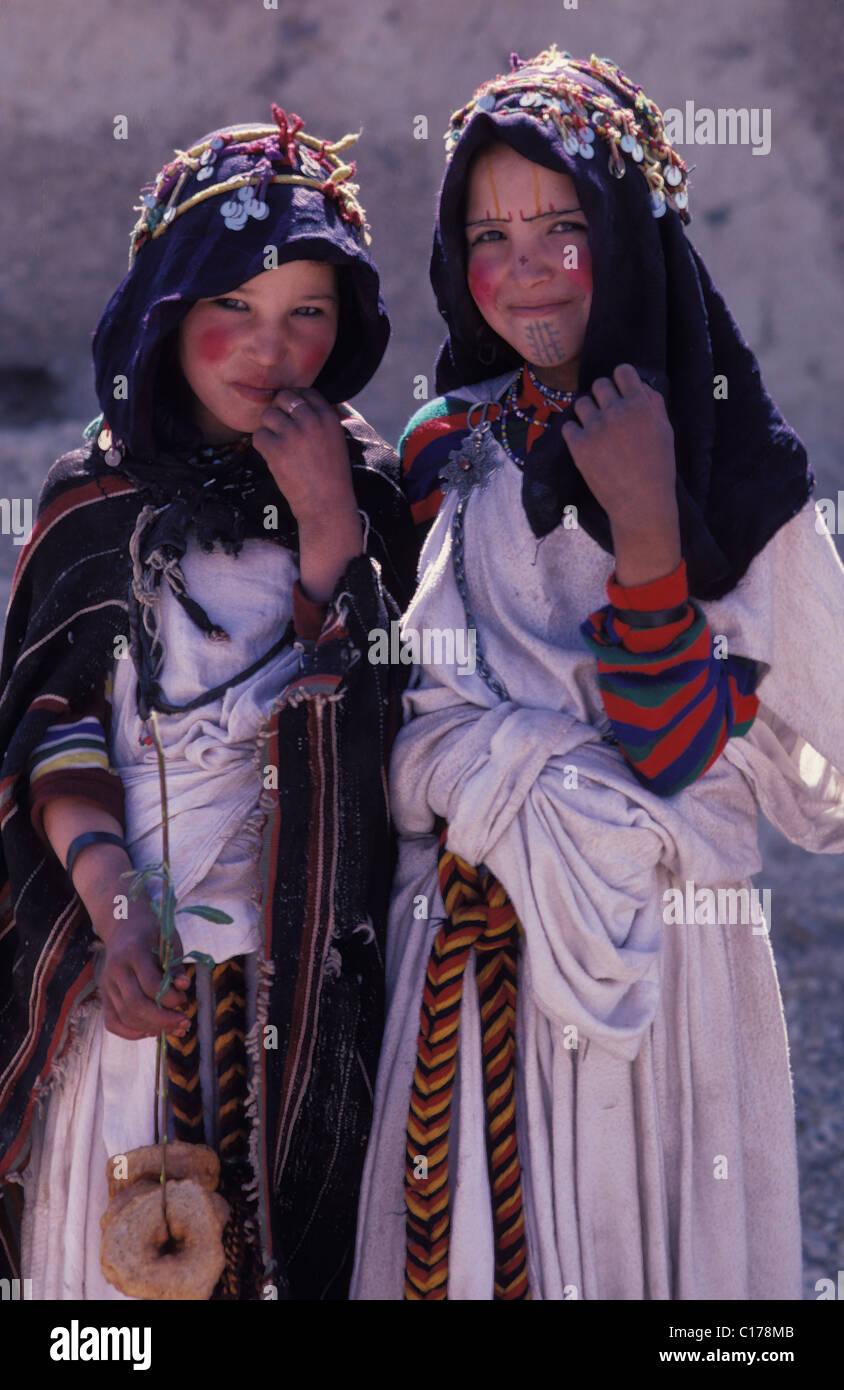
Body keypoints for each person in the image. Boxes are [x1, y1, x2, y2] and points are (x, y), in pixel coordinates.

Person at [350, 49, 844, 1300]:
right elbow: (409, 693)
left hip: (658, 973)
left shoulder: (735, 473)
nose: (523, 265)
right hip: (469, 951)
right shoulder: (448, 449)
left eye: (562, 226)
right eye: (488, 232)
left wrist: (646, 527)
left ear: (629, 235)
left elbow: (678, 756)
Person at [0, 104, 417, 1300]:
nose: (265, 349)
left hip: (298, 999)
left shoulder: (369, 495)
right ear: (167, 314)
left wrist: (332, 528)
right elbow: (48, 726)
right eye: (229, 307)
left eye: (306, 313)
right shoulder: (94, 505)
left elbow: (378, 755)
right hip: (127, 979)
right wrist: (116, 910)